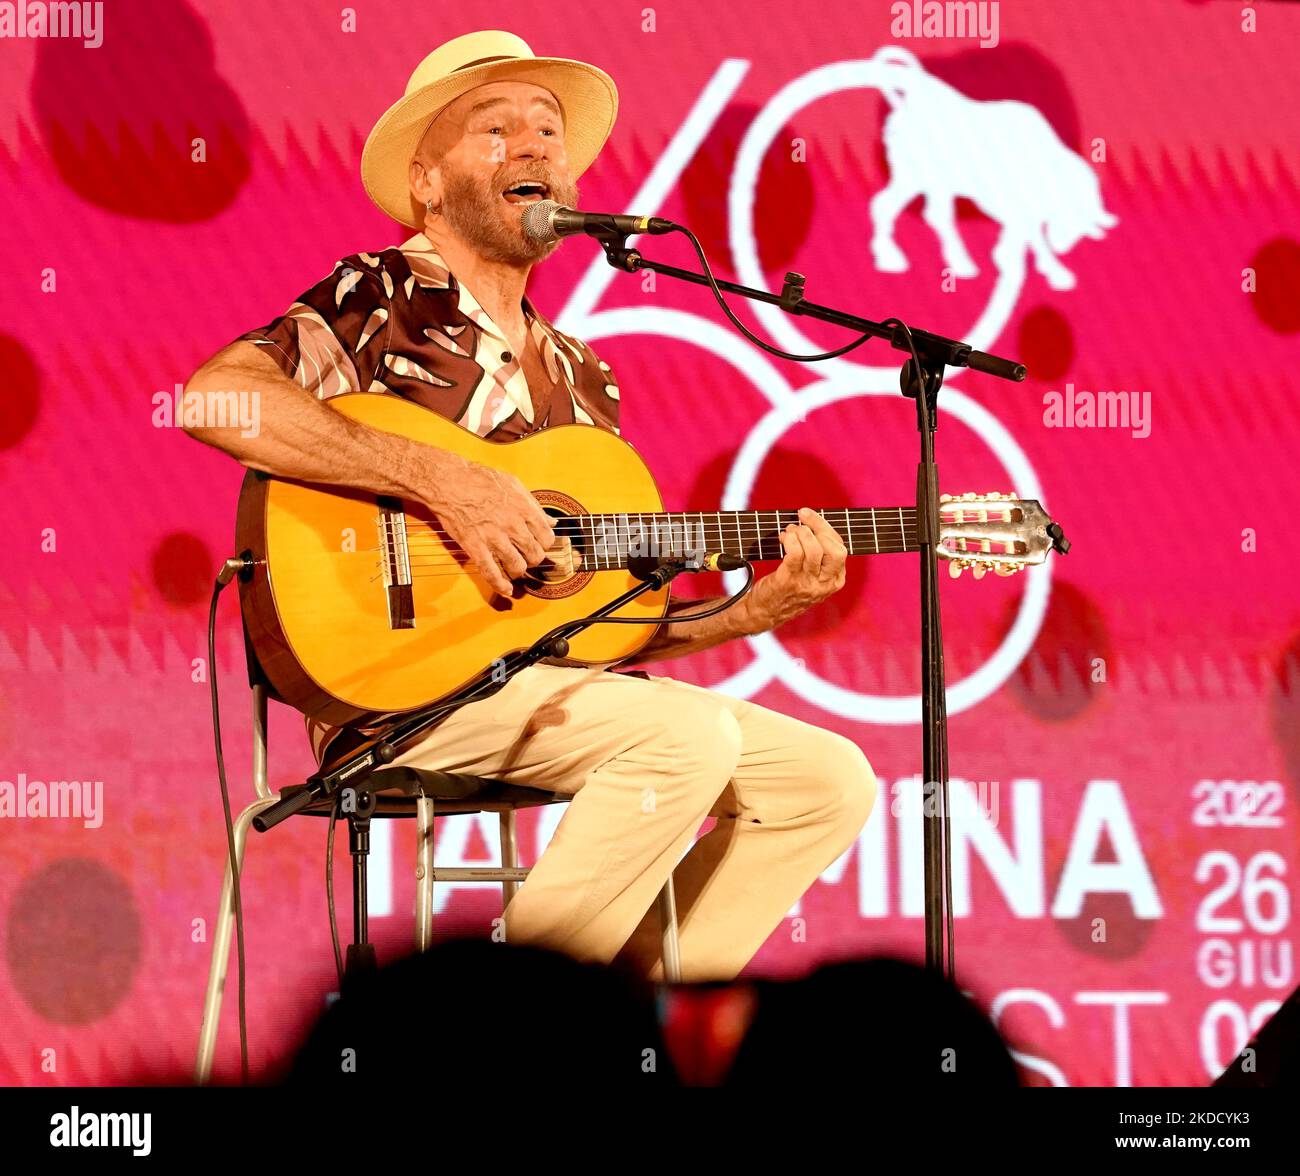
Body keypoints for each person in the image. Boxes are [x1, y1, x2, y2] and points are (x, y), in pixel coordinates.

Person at [184, 30, 877, 983]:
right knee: (683, 736)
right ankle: (504, 1039)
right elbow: (212, 400)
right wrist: (440, 480)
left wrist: (745, 614)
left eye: (548, 129)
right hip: (397, 686)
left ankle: (637, 1026)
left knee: (824, 780)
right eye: (496, 127)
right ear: (427, 184)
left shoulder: (583, 375)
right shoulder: (379, 294)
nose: (536, 146)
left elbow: (594, 628)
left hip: (538, 690)